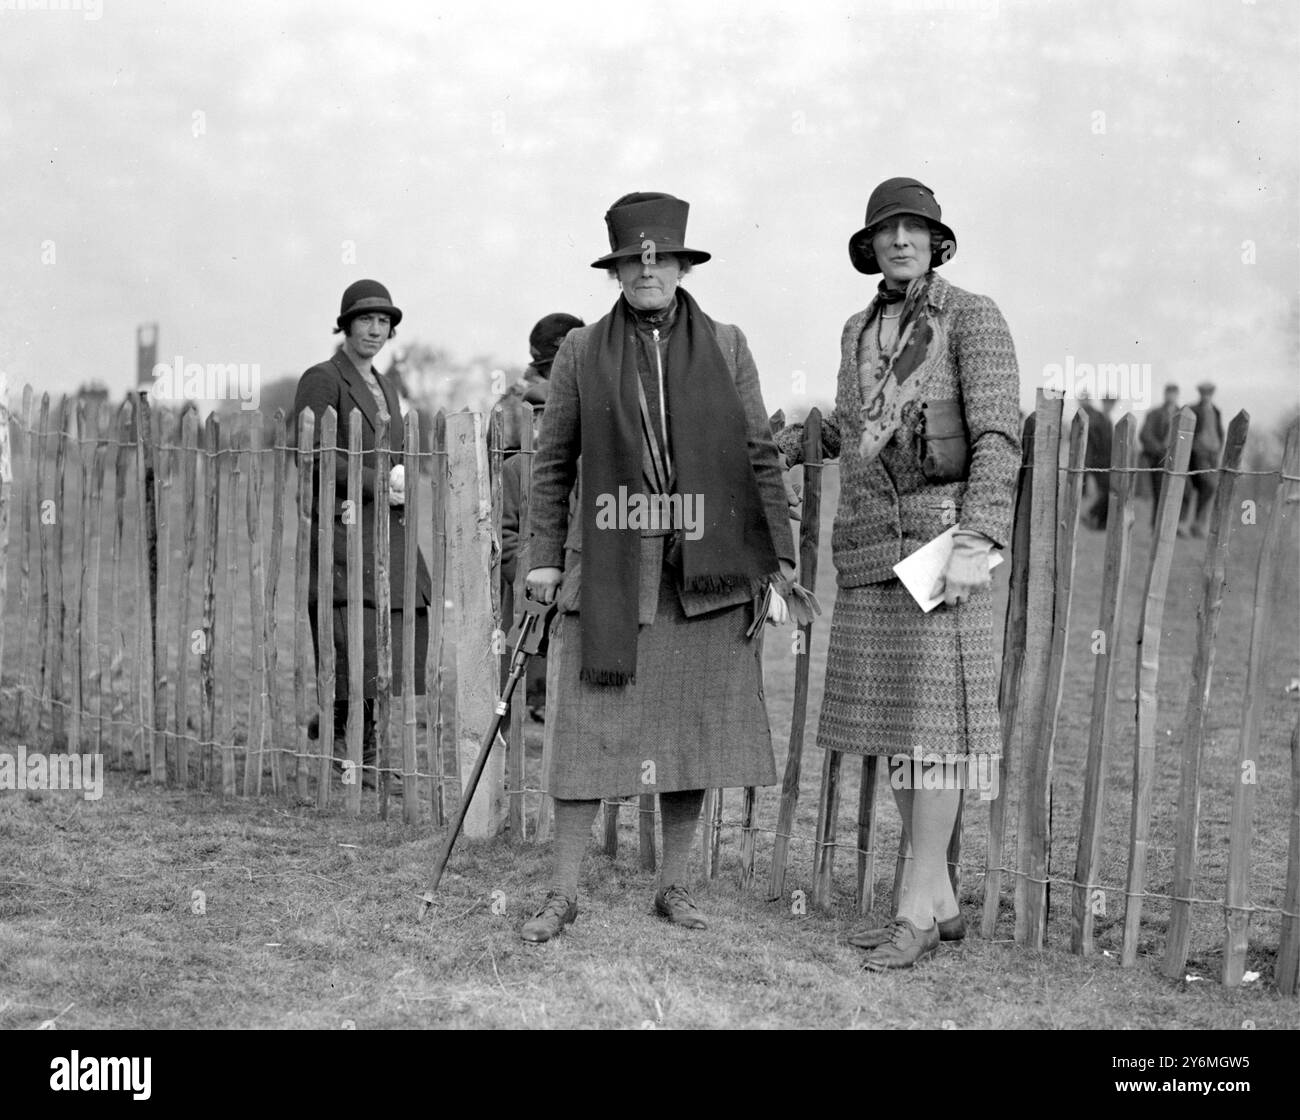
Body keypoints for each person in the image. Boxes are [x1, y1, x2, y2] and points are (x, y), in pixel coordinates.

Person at [521, 191, 799, 942]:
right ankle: (563, 893)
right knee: (585, 735)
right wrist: (543, 561)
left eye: (661, 259)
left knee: (693, 733)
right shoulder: (581, 351)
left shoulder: (729, 345)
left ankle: (673, 888)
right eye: (633, 263)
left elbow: (758, 455)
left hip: (706, 573)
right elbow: (551, 466)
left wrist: (778, 562)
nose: (648, 272)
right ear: (618, 273)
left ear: (679, 265)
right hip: (611, 572)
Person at [777, 177, 1021, 970]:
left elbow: (996, 437)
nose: (902, 241)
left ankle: (915, 907)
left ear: (937, 242)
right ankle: (941, 904)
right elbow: (856, 432)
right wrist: (784, 448)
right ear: (870, 246)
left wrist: (976, 538)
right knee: (899, 736)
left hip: (943, 549)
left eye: (916, 229)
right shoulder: (858, 329)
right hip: (873, 553)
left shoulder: (973, 316)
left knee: (938, 739)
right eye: (888, 231)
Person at [295, 279, 433, 791]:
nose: (376, 329)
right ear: (346, 324)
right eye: (366, 319)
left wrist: (399, 478)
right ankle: (354, 753)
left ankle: (355, 742)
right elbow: (312, 457)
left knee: (382, 643)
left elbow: (392, 452)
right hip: (345, 534)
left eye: (384, 322)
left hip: (387, 534)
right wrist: (379, 484)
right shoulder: (322, 378)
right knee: (348, 640)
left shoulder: (385, 384)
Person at [500, 380, 552, 719]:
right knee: (515, 671)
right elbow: (504, 538)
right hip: (529, 590)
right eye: (543, 418)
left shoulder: (590, 467)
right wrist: (530, 576)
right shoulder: (517, 468)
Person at [1179, 381, 1224, 538]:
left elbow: (1218, 432)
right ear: (1200, 394)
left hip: (1213, 454)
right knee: (1205, 485)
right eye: (1204, 393)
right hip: (1198, 453)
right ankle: (1188, 523)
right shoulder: (1193, 409)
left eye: (1209, 393)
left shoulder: (1216, 411)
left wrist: (1218, 450)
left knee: (1209, 488)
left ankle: (1198, 524)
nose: (1206, 396)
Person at [1138, 382, 1179, 526]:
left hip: (1179, 460)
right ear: (1165, 394)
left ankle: (1176, 524)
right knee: (1160, 492)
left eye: (1174, 393)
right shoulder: (1154, 414)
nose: (1171, 396)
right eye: (1169, 393)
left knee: (1183, 492)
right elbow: (1144, 435)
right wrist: (1160, 448)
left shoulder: (1182, 414)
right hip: (1159, 459)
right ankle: (1157, 525)